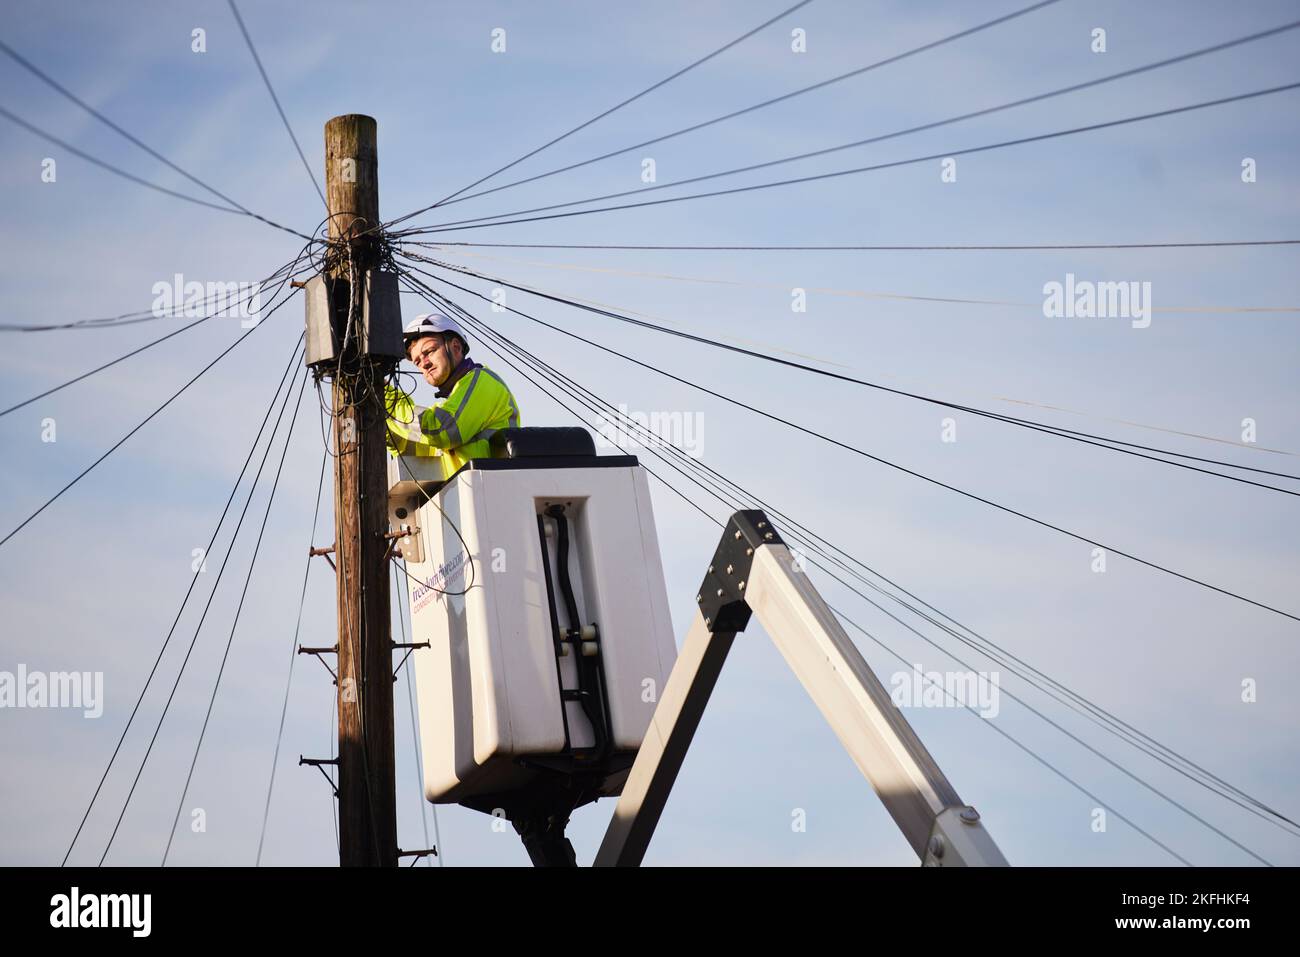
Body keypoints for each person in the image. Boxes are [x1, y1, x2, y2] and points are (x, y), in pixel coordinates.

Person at [385, 313, 521, 478]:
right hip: (464, 498)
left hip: (492, 495)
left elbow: (442, 430)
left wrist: (388, 400)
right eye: (417, 362)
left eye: (429, 351)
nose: (424, 363)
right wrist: (383, 424)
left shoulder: (483, 380)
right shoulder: (454, 406)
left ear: (456, 347)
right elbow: (416, 449)